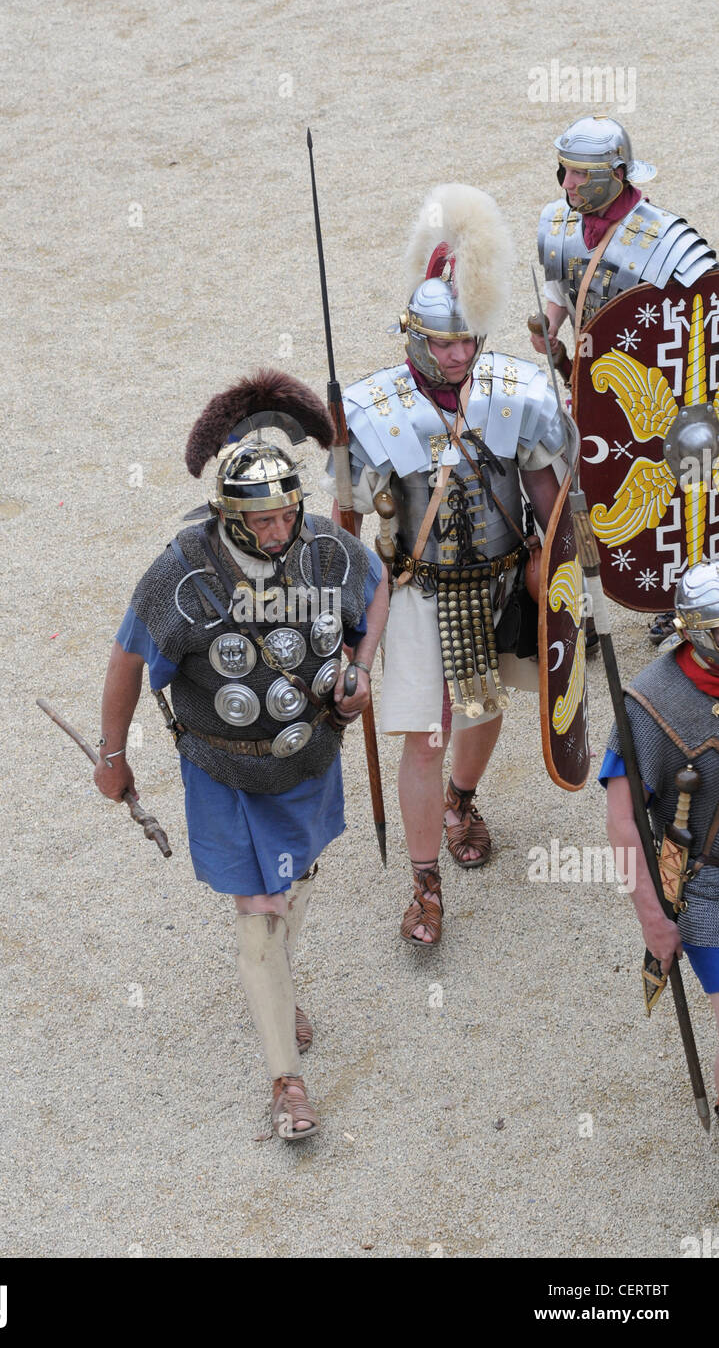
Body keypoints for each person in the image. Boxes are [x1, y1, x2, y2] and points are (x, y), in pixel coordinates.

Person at [94, 369, 387, 1141]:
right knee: (257, 915)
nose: (276, 530)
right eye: (258, 520)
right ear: (228, 516)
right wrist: (109, 753)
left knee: (297, 884)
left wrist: (360, 664)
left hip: (307, 757)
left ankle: (277, 988)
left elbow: (377, 583)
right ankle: (285, 1082)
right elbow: (127, 661)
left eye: (285, 513)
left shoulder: (324, 546)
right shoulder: (181, 574)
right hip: (223, 768)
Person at [322, 185, 567, 948]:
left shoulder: (514, 393)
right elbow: (346, 520)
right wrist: (343, 615)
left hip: (500, 583)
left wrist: (567, 573)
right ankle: (423, 885)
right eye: (445, 343)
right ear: (413, 338)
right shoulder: (372, 410)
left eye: (469, 341)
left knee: (485, 712)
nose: (460, 355)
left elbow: (545, 495)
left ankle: (462, 799)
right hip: (418, 591)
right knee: (423, 734)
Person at [534, 114, 717, 644]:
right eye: (563, 171)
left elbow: (705, 318)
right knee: (577, 495)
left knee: (679, 497)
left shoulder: (666, 240)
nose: (567, 185)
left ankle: (681, 600)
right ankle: (587, 606)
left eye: (579, 176)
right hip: (588, 393)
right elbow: (559, 280)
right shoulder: (558, 223)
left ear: (616, 175)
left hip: (658, 401)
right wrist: (551, 325)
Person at [602, 560, 719, 1115]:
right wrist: (652, 917)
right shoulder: (646, 707)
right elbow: (622, 822)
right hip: (706, 888)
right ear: (698, 632)